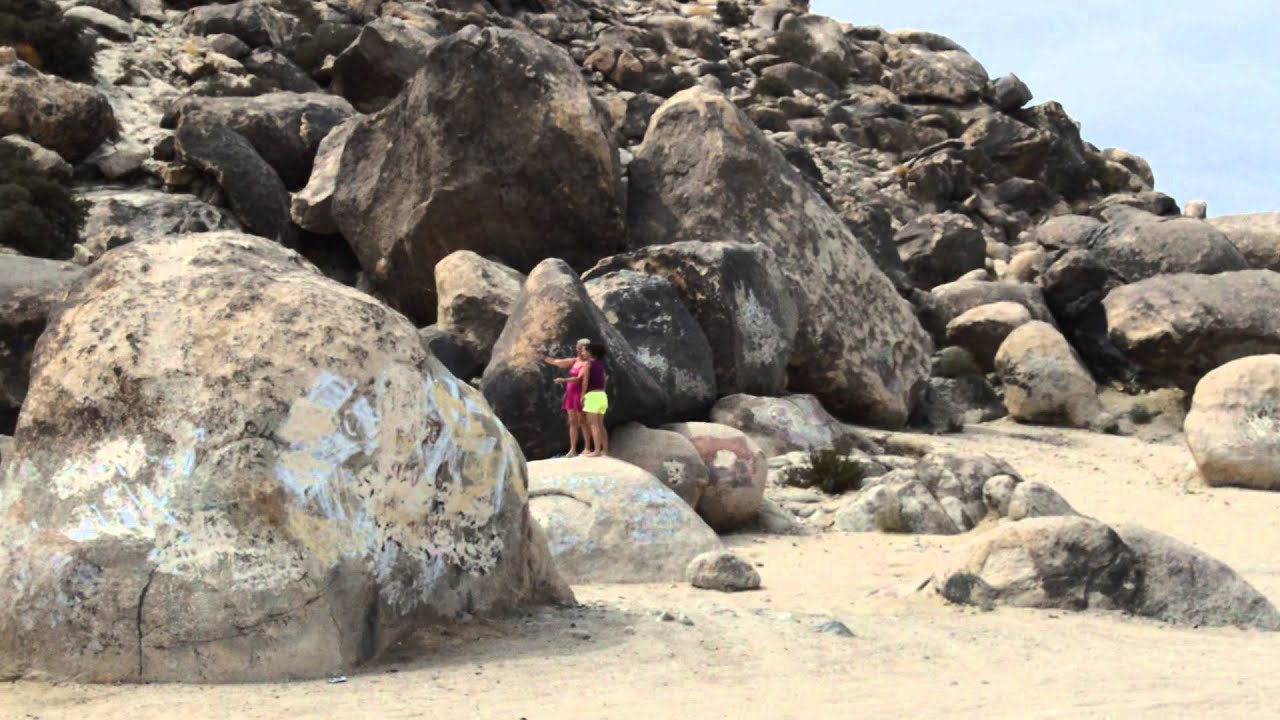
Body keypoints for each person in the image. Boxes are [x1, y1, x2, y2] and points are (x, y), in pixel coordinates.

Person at [541, 339, 592, 457]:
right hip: (570, 394)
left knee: (582, 421)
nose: (579, 350)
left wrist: (563, 380)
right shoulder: (575, 361)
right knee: (572, 422)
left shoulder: (587, 363)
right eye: (578, 348)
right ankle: (572, 449)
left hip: (580, 394)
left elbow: (580, 380)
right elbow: (557, 362)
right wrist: (543, 357)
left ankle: (587, 447)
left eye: (582, 348)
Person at [580, 342, 609, 457]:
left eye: (584, 351)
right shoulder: (600, 365)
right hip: (602, 395)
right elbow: (605, 379)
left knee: (593, 425)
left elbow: (585, 381)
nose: (582, 353)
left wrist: (582, 396)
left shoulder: (588, 364)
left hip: (592, 396)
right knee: (601, 425)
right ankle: (605, 450)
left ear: (590, 352)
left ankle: (596, 450)